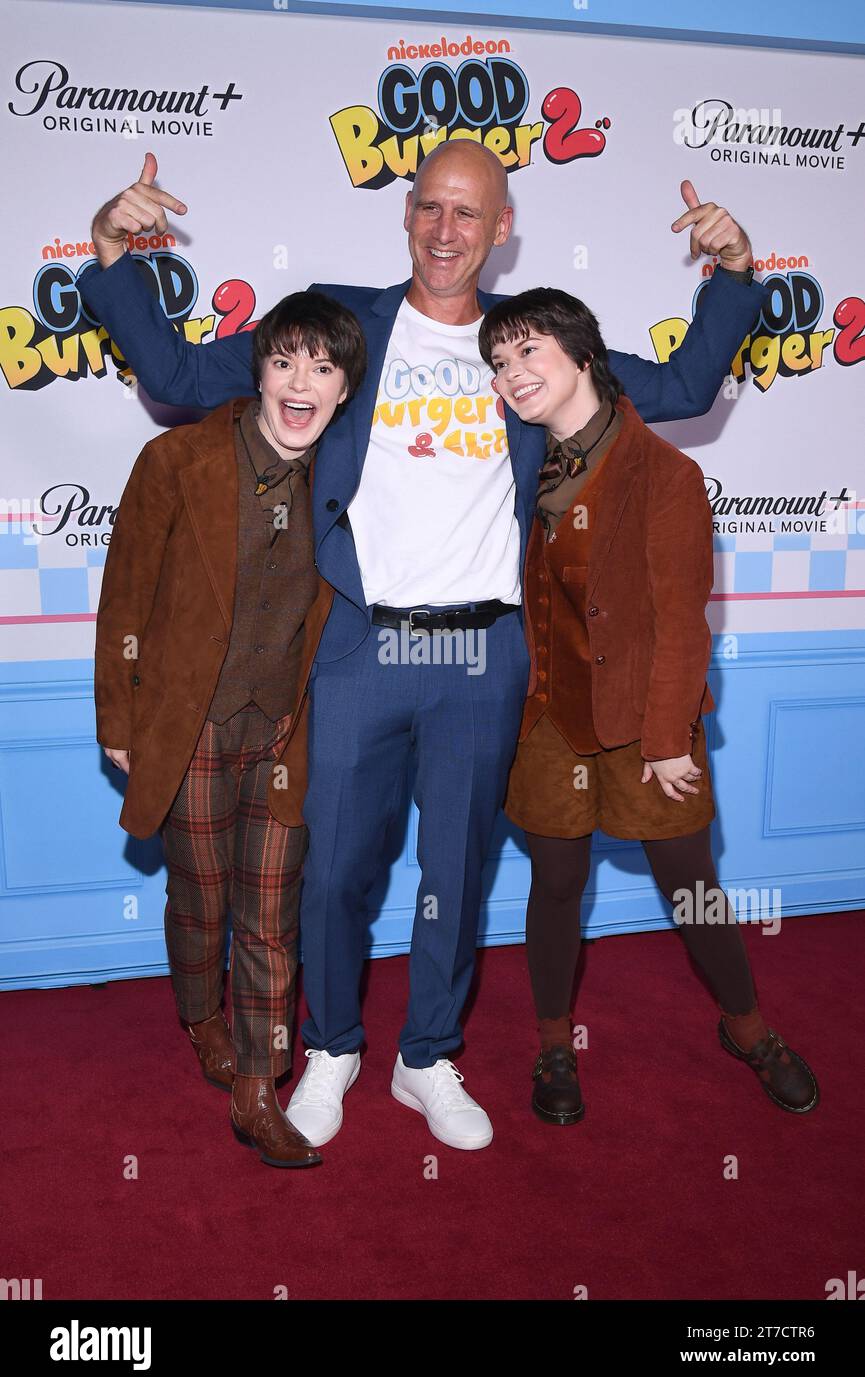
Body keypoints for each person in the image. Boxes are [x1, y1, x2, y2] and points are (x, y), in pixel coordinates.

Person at [80, 144, 767, 1152]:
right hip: (357, 642)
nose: (446, 232)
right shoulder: (338, 324)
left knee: (455, 865)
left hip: (485, 657)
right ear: (407, 216)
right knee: (328, 872)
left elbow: (684, 386)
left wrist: (736, 277)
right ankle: (332, 1050)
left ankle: (427, 1056)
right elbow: (181, 373)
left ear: (501, 230)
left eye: (469, 215)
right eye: (430, 209)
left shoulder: (526, 351)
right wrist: (110, 262)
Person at [478, 286, 819, 1125]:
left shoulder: (665, 472)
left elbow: (681, 621)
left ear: (582, 356)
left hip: (645, 723)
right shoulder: (516, 464)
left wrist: (668, 738)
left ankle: (746, 1027)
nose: (510, 374)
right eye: (497, 361)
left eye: (528, 351)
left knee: (690, 885)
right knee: (555, 883)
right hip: (553, 715)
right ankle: (554, 1041)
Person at [95, 290, 366, 1167]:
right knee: (200, 898)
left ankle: (257, 1087)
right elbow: (125, 597)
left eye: (323, 369)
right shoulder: (177, 460)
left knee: (269, 912)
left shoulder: (349, 477)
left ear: (342, 390)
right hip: (193, 723)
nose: (301, 383)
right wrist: (120, 716)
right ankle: (198, 1014)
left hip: (290, 727)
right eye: (285, 362)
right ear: (256, 371)